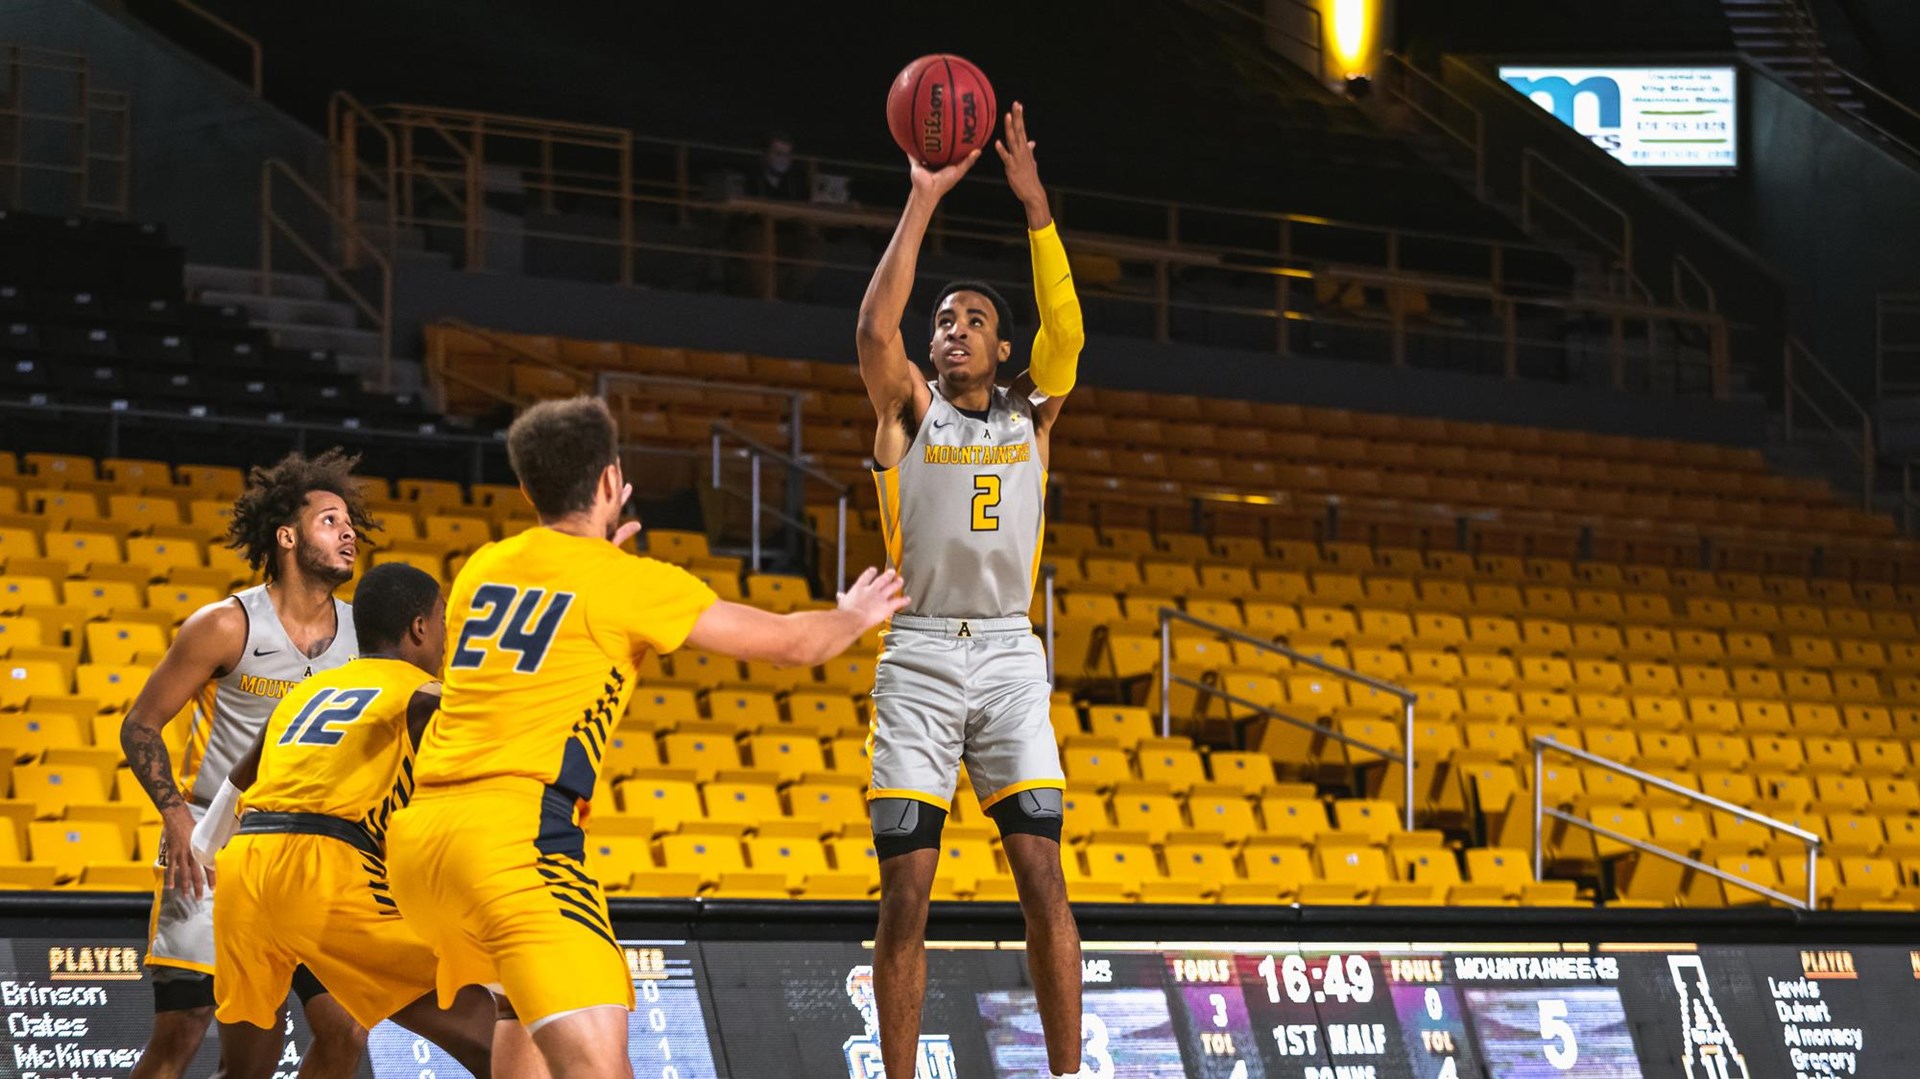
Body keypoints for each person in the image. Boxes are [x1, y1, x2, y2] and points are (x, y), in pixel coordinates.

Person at [385, 395, 909, 1079]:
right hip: (516, 842)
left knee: (519, 1011)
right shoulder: (628, 581)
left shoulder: (482, 567)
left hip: (423, 842)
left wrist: (601, 557)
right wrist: (853, 613)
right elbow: (790, 644)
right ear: (610, 482)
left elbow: (541, 625)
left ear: (526, 487)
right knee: (600, 1068)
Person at [854, 102, 1087, 1079]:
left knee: (1043, 873)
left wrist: (1036, 208)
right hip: (918, 653)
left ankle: (1068, 1071)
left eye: (973, 320)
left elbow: (1067, 329)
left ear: (1003, 349)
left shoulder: (1037, 411)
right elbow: (875, 325)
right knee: (907, 893)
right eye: (944, 320)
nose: (952, 329)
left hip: (1005, 651)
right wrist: (921, 200)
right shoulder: (907, 410)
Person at [119, 449, 375, 1079]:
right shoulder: (225, 625)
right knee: (182, 1031)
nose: (348, 533)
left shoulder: (366, 636)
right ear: (287, 537)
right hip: (216, 841)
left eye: (350, 524)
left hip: (314, 852)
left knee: (345, 1028)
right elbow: (140, 726)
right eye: (330, 521)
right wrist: (178, 821)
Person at [194, 562, 495, 1078]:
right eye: (443, 620)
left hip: (244, 869)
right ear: (420, 627)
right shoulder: (426, 698)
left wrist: (205, 848)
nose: (446, 636)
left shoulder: (308, 693)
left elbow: (231, 795)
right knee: (491, 1033)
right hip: (327, 872)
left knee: (245, 1071)